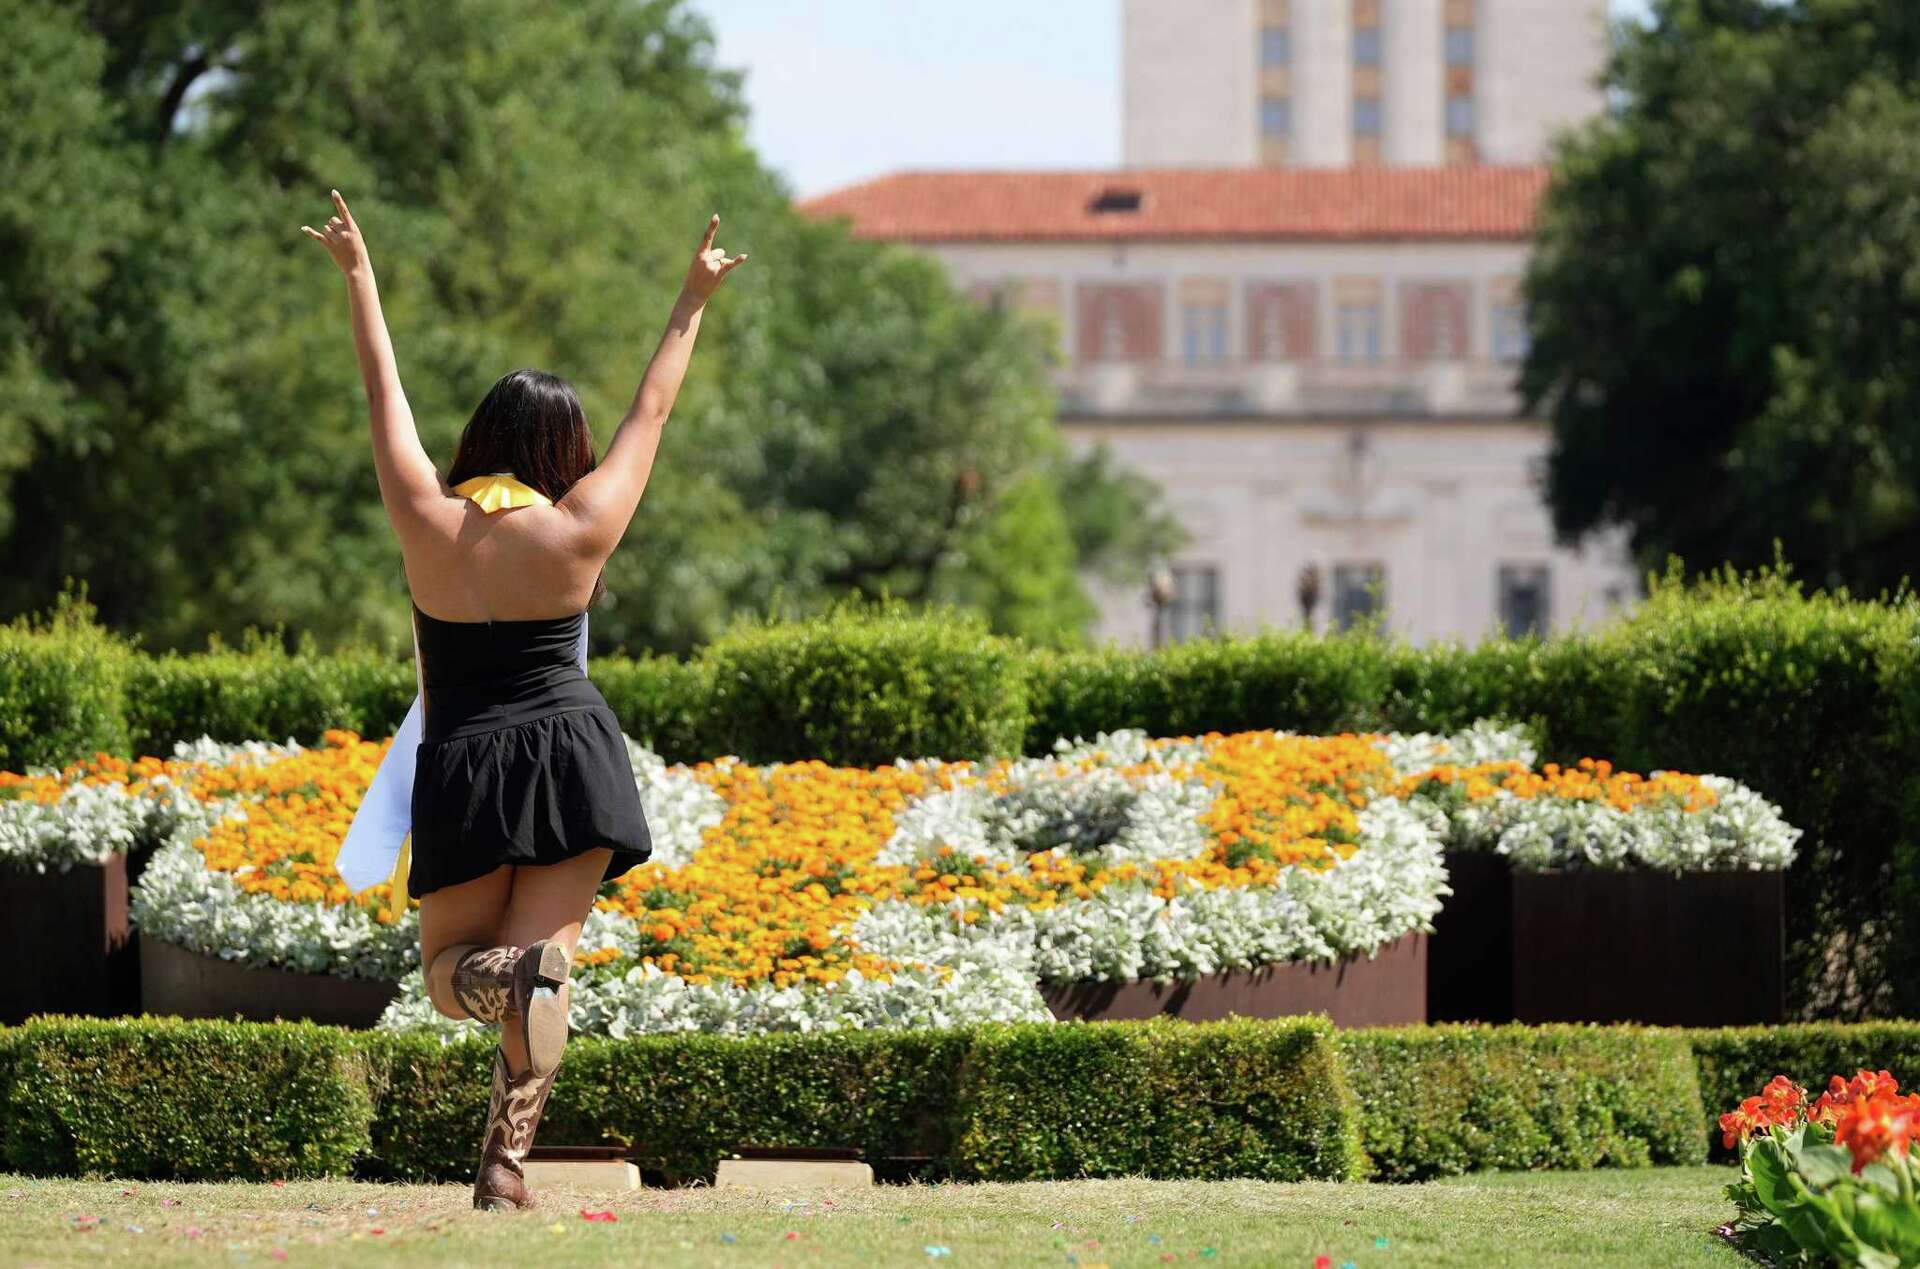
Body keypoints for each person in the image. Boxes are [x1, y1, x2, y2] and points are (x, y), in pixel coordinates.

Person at [303, 190, 745, 1210]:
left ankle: (510, 987)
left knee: (452, 976)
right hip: (572, 752)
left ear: (481, 437)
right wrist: (689, 302)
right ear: (562, 450)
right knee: (548, 963)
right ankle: (503, 1167)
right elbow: (655, 413)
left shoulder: (425, 515)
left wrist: (361, 282)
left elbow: (384, 401)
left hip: (464, 756)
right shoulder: (583, 523)